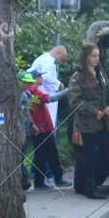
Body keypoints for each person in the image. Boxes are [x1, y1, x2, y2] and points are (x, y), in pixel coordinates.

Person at [69, 42, 109, 200]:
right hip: (87, 124)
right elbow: (75, 102)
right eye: (93, 56)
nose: (96, 59)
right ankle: (90, 187)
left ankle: (96, 182)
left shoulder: (101, 74)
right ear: (86, 57)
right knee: (89, 157)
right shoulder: (78, 76)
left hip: (103, 124)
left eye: (98, 56)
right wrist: (95, 112)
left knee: (105, 154)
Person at [30, 43, 70, 186]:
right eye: (61, 59)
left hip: (41, 123)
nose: (60, 63)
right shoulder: (47, 62)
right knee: (50, 151)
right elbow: (50, 96)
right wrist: (64, 88)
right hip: (43, 123)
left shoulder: (32, 91)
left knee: (41, 152)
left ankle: (39, 179)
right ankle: (54, 178)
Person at [20, 68, 59, 191]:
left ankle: (31, 181)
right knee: (43, 154)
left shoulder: (27, 93)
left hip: (35, 127)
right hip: (38, 128)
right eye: (39, 76)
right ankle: (31, 181)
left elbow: (26, 111)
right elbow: (50, 99)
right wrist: (70, 90)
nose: (42, 78)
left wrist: (32, 124)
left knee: (40, 155)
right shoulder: (32, 91)